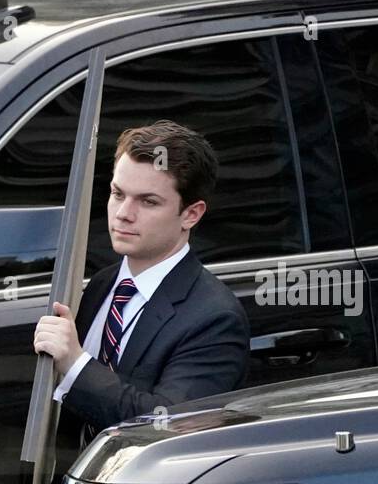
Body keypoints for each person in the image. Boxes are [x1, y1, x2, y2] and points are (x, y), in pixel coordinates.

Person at [33, 120, 250, 445]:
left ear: (191, 214)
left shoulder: (214, 318)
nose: (123, 213)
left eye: (148, 201)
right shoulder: (102, 285)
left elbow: (166, 425)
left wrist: (76, 364)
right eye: (118, 194)